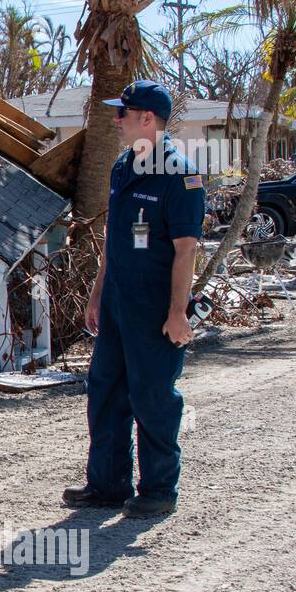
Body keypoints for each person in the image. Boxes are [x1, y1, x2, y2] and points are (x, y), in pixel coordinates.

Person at [64, 80, 207, 517]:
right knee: (105, 389)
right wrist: (97, 291)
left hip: (154, 305)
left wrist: (178, 312)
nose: (117, 120)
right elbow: (115, 237)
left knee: (152, 395)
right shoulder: (123, 166)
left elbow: (186, 249)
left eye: (123, 113)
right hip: (118, 299)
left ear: (148, 119)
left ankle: (159, 490)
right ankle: (107, 484)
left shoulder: (181, 173)